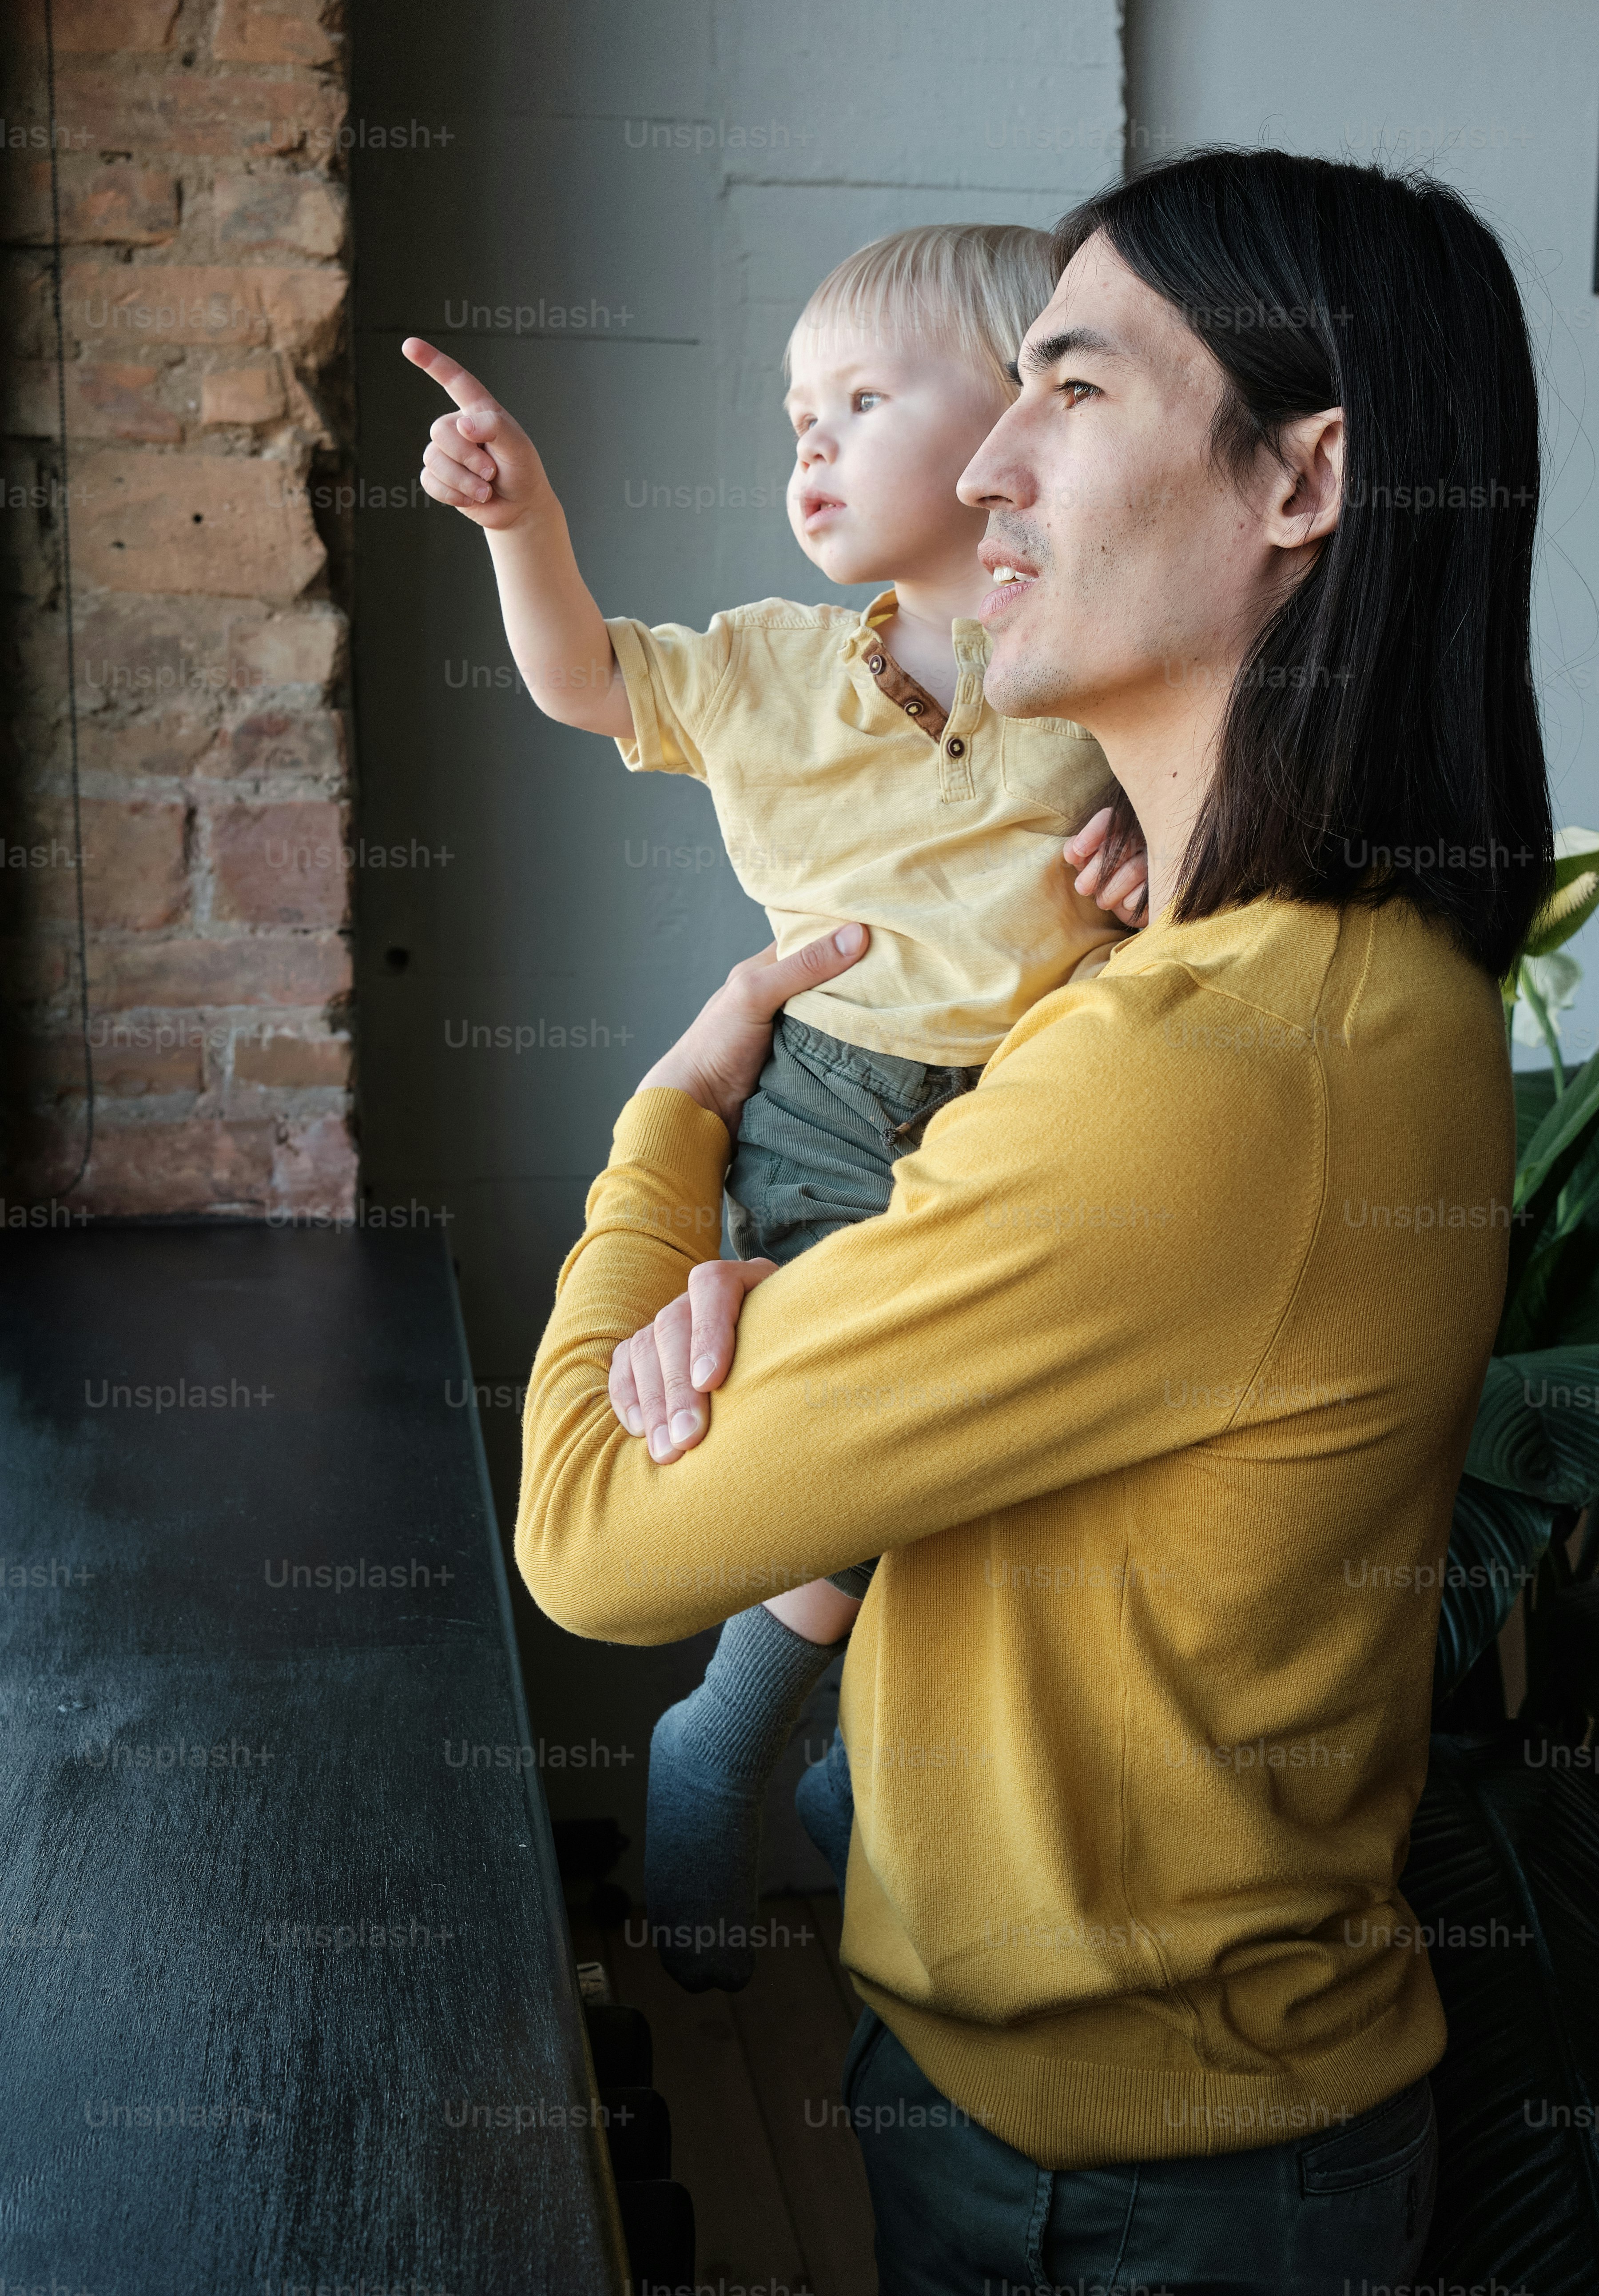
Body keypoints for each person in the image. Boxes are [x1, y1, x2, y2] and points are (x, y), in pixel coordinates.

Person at [518, 149, 1552, 2293]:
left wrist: (682, 1110)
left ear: (1303, 482)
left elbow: (593, 1529)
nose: (983, 466)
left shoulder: (1199, 1071)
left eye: (1067, 392)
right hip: (1109, 2111)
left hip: (1131, 2188)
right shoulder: (1347, 972)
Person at [402, 225, 1147, 1991]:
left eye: (861, 401)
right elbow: (588, 680)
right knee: (857, 1426)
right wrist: (526, 530)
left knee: (990, 1464)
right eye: (794, 414)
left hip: (1025, 1116)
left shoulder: (1100, 680)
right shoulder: (768, 669)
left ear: (1019, 430)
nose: (807, 444)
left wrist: (1153, 859)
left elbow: (1211, 849)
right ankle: (736, 1739)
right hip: (823, 1098)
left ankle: (830, 1778)